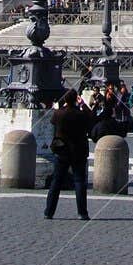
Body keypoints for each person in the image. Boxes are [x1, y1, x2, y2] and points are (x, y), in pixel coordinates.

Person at [44, 89, 97, 221]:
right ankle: (82, 213)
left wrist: (63, 105)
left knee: (56, 182)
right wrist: (83, 104)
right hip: (78, 151)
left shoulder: (59, 114)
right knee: (79, 182)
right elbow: (91, 117)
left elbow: (53, 122)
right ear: (76, 100)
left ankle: (49, 212)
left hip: (62, 151)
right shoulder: (80, 114)